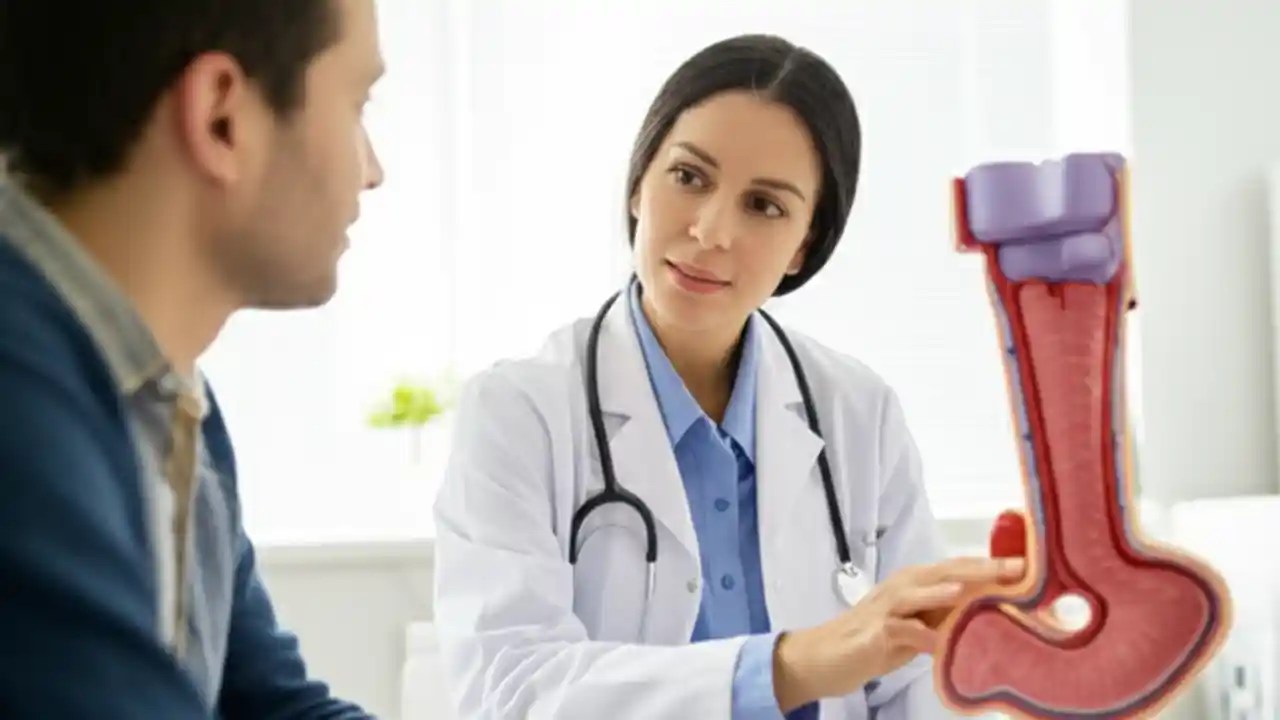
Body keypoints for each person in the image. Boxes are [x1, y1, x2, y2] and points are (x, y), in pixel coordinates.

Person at [431, 33, 1025, 720]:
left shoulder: (859, 412)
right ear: (638, 182)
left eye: (764, 205)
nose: (711, 231)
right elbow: (512, 690)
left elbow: (917, 687)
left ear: (805, 243)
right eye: (689, 177)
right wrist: (795, 666)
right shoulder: (518, 413)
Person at [0, 1, 385, 717]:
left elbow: (266, 706)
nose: (373, 171)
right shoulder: (19, 403)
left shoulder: (167, 399)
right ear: (220, 119)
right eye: (358, 104)